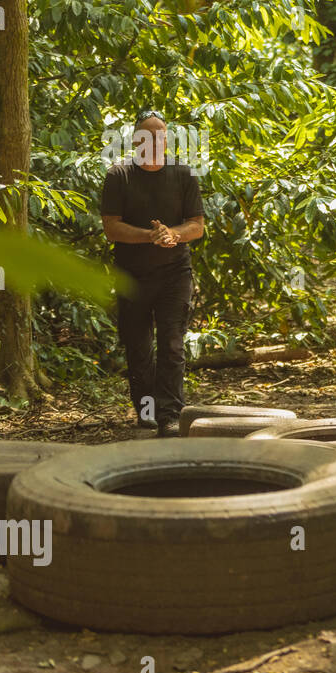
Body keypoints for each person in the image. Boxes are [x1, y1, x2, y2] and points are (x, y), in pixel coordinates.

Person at [100, 110, 206, 437]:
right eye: (147, 136)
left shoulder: (184, 175)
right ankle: (146, 412)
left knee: (172, 344)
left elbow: (197, 226)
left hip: (175, 273)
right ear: (135, 141)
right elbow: (111, 228)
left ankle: (170, 416)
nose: (154, 142)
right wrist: (149, 235)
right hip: (132, 275)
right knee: (138, 346)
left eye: (160, 136)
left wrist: (173, 234)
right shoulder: (120, 176)